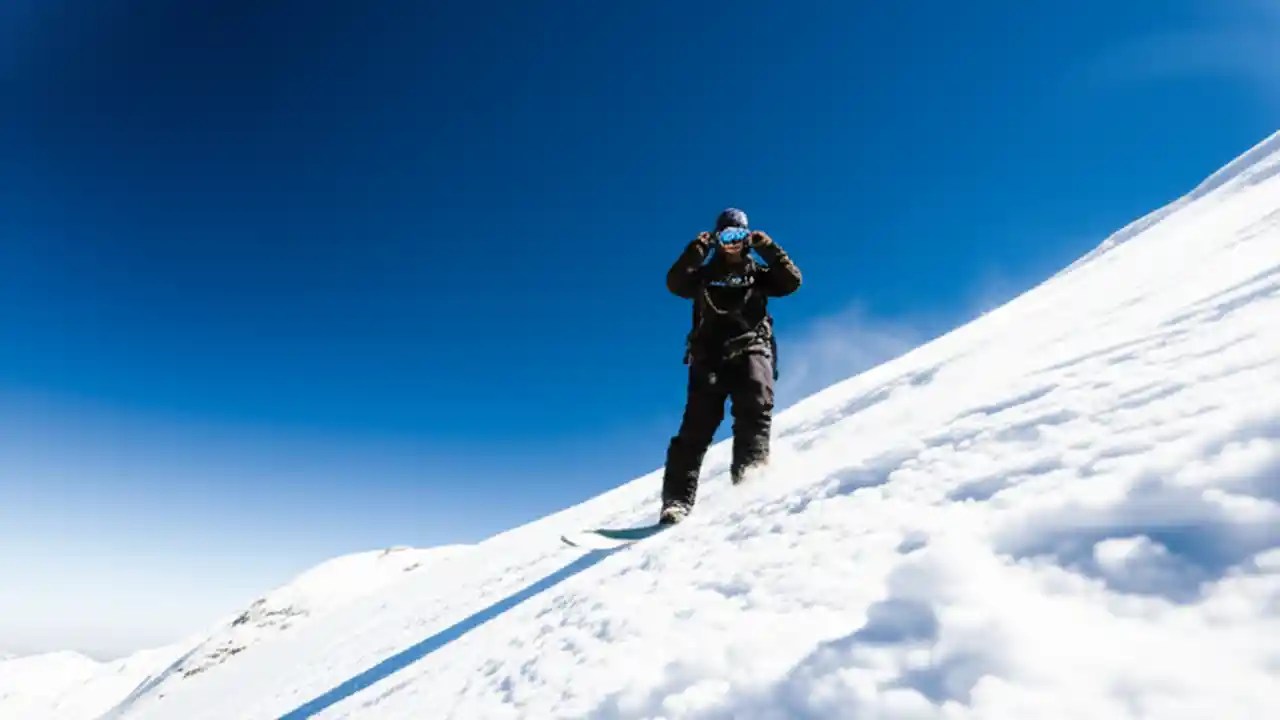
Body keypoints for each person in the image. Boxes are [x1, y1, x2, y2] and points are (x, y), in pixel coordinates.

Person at [659, 207, 803, 525]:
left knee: (755, 408)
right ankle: (677, 503)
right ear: (718, 238)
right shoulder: (703, 276)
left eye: (739, 235)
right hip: (709, 356)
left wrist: (769, 248)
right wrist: (697, 249)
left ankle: (750, 482)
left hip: (752, 347)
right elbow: (675, 283)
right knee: (696, 427)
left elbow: (792, 281)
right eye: (726, 236)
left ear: (747, 236)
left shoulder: (759, 275)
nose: (732, 243)